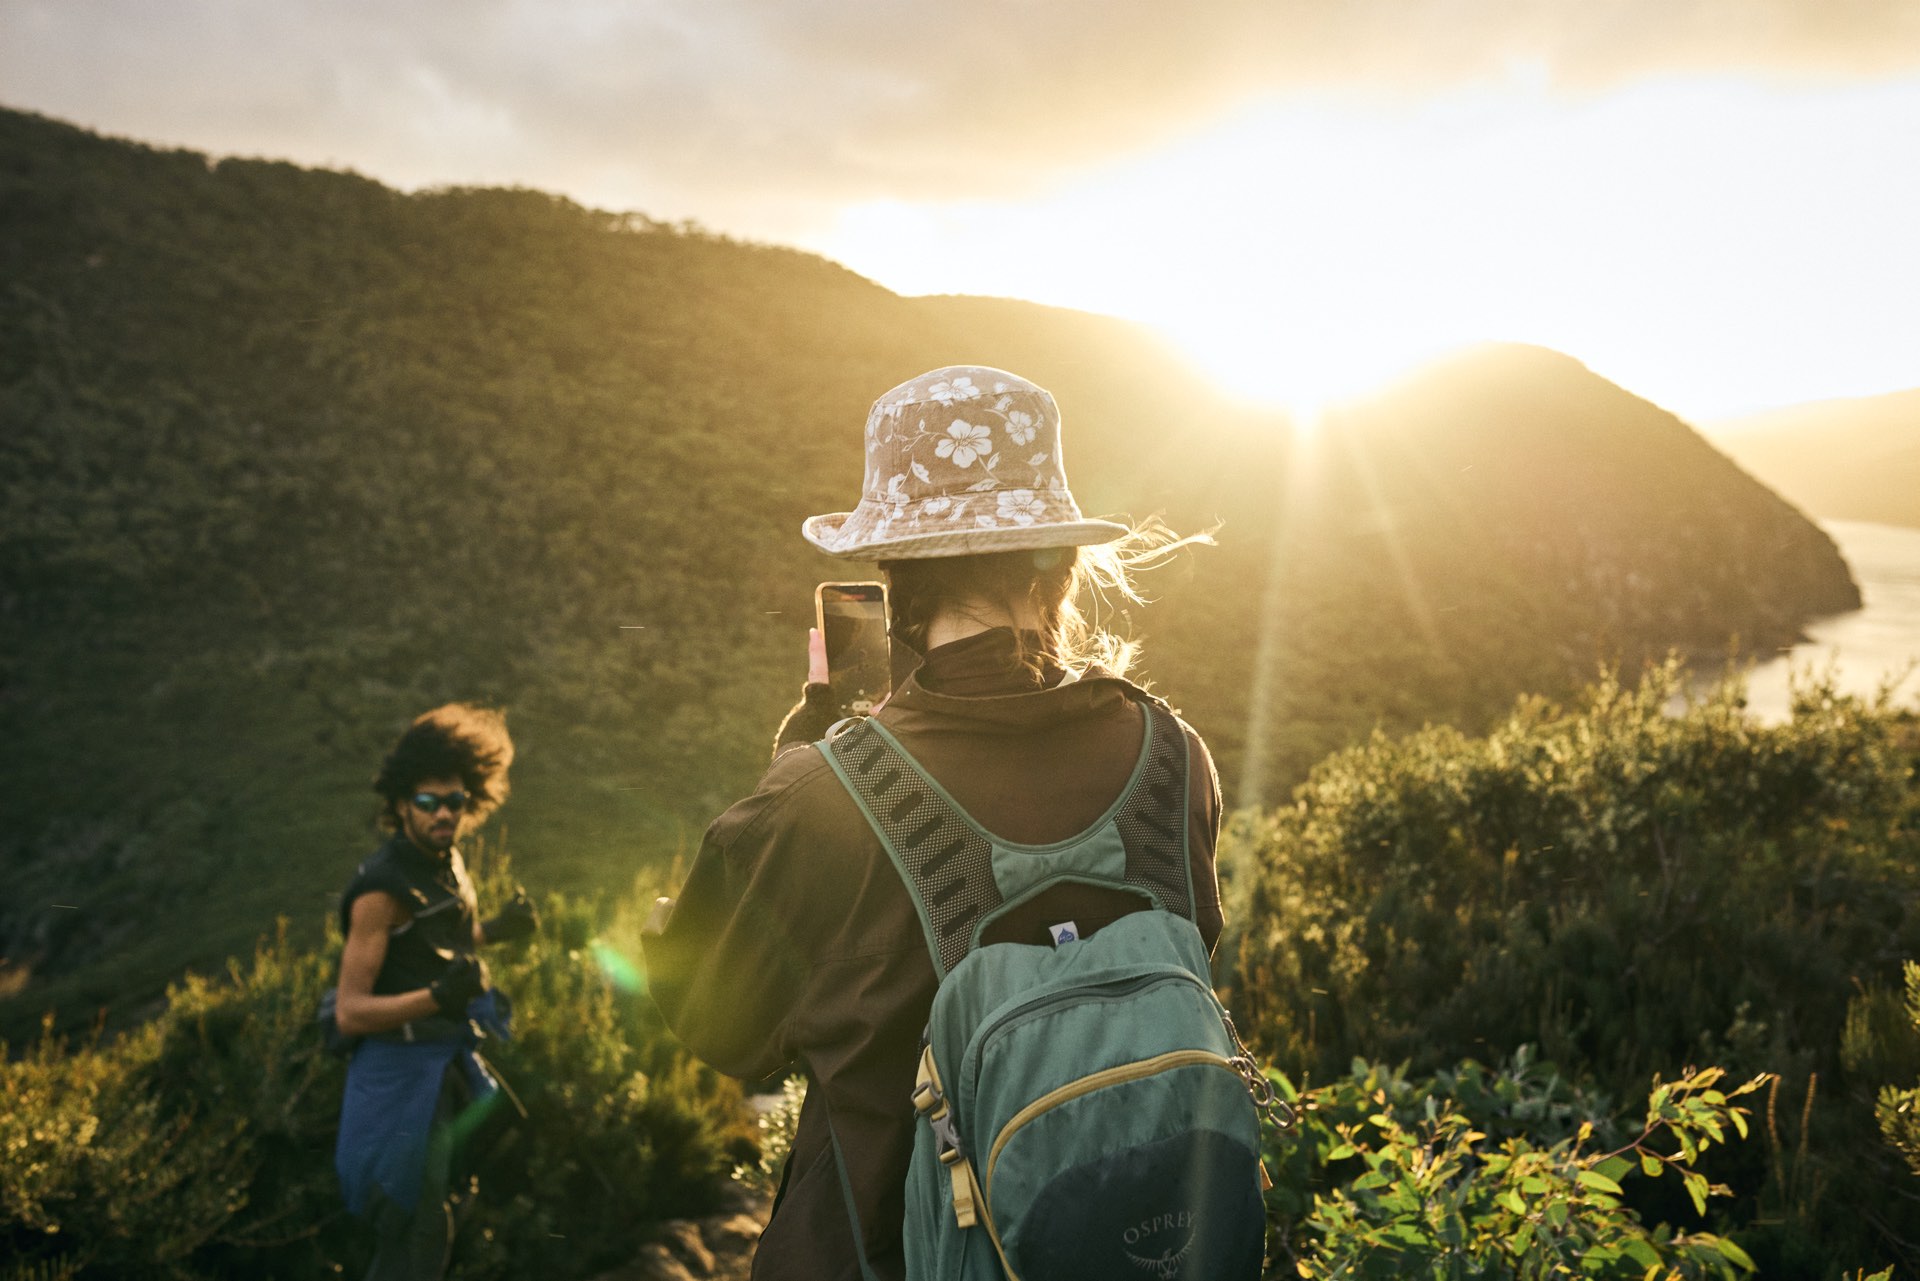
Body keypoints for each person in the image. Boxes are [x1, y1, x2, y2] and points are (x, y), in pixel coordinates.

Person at [643, 366, 1225, 1280]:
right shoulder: (1172, 756)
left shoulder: (817, 794)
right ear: (1059, 561)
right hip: (1134, 1243)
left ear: (896, 577)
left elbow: (718, 1022)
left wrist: (800, 761)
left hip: (876, 1251)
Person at [332, 702, 538, 1281]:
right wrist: (438, 999)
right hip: (397, 1077)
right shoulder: (380, 890)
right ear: (401, 804)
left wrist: (492, 931)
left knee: (452, 1203)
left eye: (455, 801)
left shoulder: (445, 859)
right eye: (428, 802)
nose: (443, 813)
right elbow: (349, 1012)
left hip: (443, 1064)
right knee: (414, 1231)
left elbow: (438, 937)